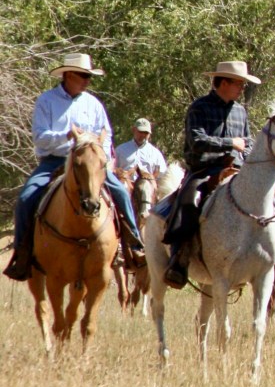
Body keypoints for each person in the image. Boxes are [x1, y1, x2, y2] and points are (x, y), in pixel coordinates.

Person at [5, 54, 145, 281]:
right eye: (83, 76)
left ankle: (134, 247)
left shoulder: (94, 104)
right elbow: (40, 137)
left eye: (89, 76)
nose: (88, 81)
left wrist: (102, 157)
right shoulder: (47, 101)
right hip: (54, 161)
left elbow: (106, 134)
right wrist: (65, 136)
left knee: (120, 192)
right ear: (68, 75)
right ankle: (22, 254)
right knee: (26, 198)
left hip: (90, 164)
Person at [162, 60, 259, 290]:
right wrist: (230, 143)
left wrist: (246, 151)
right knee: (187, 202)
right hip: (204, 170)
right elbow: (196, 140)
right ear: (223, 83)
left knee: (268, 203)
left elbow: (247, 142)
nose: (242, 88)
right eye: (239, 83)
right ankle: (179, 260)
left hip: (236, 171)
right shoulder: (199, 107)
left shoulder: (240, 111)